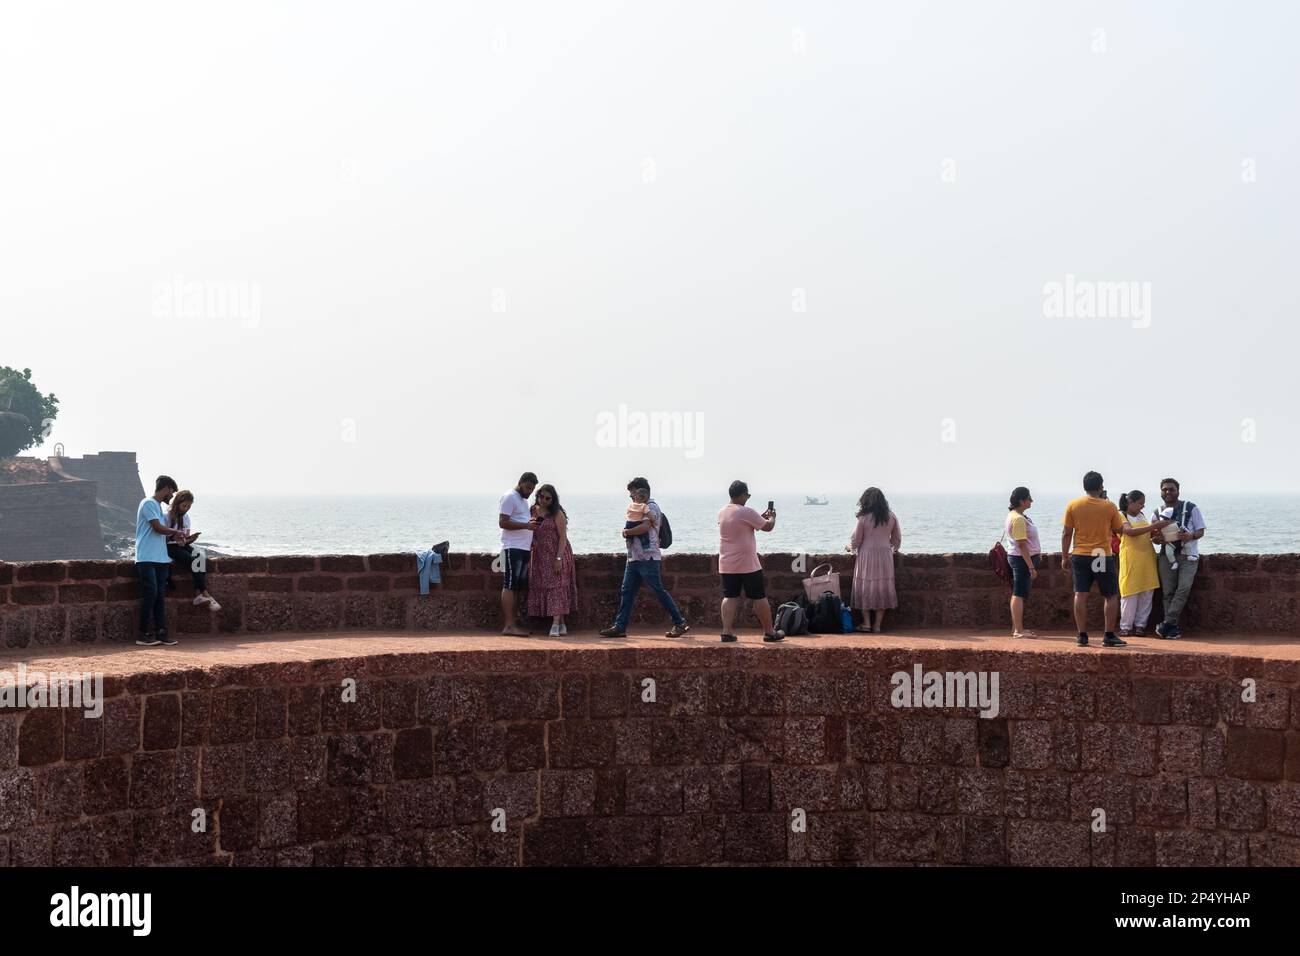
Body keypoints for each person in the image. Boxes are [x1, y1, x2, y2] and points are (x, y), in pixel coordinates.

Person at [599, 477, 690, 638]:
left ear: (643, 492)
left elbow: (646, 527)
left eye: (632, 493)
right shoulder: (638, 508)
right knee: (627, 591)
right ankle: (620, 626)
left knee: (658, 590)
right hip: (634, 556)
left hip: (648, 557)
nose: (631, 496)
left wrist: (626, 532)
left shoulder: (651, 507)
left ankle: (680, 622)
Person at [1060, 470, 1126, 648]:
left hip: (1080, 554)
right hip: (1100, 554)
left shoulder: (1073, 505)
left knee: (1080, 594)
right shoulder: (1109, 506)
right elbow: (1119, 529)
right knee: (1110, 595)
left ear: (1084, 486)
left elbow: (1067, 533)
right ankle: (1109, 635)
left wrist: (1065, 556)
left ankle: (1082, 635)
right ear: (1101, 486)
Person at [717, 480, 780, 644]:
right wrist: (772, 517)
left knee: (729, 596)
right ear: (742, 494)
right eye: (748, 495)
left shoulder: (722, 512)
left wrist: (758, 517)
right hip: (747, 564)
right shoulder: (746, 512)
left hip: (727, 563)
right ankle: (769, 632)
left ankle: (726, 632)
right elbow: (767, 527)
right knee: (759, 597)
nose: (748, 498)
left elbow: (741, 522)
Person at [134, 475, 186, 646]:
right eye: (171, 492)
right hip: (147, 557)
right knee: (151, 594)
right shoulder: (148, 503)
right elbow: (157, 528)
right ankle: (143, 634)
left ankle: (161, 632)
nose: (171, 496)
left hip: (160, 558)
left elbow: (162, 532)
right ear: (166, 489)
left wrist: (177, 538)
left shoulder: (156, 506)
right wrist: (176, 532)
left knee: (159, 596)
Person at [1153, 478, 1207, 640]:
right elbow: (1152, 536)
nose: (1168, 492)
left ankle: (1167, 622)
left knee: (1183, 589)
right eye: (1164, 490)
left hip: (1187, 555)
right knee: (1168, 592)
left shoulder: (1191, 508)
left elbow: (1200, 531)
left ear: (1178, 491)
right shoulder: (1157, 512)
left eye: (1171, 489)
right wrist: (1158, 539)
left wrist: (1190, 535)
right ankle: (1172, 628)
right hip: (1166, 555)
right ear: (1161, 492)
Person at [1116, 490, 1170, 637]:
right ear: (1130, 502)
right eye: (1140, 503)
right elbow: (1130, 532)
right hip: (1131, 558)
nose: (1143, 506)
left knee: (1146, 593)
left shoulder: (1141, 516)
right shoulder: (1121, 515)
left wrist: (1157, 534)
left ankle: (1140, 625)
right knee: (1129, 593)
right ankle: (1126, 625)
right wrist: (1153, 526)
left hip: (1147, 557)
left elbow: (1146, 534)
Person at [848, 487, 901, 634]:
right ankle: (877, 625)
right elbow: (896, 540)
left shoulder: (863, 518)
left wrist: (849, 547)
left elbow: (856, 540)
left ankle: (866, 623)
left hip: (866, 555)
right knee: (882, 587)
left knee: (865, 586)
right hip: (885, 555)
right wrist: (892, 549)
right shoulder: (891, 516)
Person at [528, 484, 578, 637]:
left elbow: (563, 537)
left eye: (547, 498)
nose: (543, 500)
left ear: (553, 499)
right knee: (547, 586)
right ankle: (562, 622)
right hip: (540, 555)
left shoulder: (557, 513)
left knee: (558, 586)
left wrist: (558, 558)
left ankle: (555, 624)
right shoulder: (533, 511)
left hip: (557, 553)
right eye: (541, 497)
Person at [165, 490, 221, 611]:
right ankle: (204, 593)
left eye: (188, 506)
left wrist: (191, 539)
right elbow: (162, 537)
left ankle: (198, 593)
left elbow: (185, 538)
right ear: (177, 503)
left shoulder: (186, 517)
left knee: (201, 558)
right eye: (184, 505)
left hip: (182, 545)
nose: (186, 509)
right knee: (192, 560)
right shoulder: (167, 516)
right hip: (169, 546)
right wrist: (173, 536)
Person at [498, 471, 539, 636]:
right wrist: (525, 526)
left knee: (516, 587)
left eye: (532, 489)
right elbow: (502, 522)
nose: (529, 491)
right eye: (528, 487)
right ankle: (508, 626)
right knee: (509, 585)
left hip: (523, 548)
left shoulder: (522, 500)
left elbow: (519, 520)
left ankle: (513, 623)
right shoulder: (509, 497)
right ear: (521, 482)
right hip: (512, 547)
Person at [1002, 486, 1040, 639]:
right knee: (1018, 593)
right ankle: (1018, 630)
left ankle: (1017, 627)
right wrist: (1031, 566)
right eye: (1029, 498)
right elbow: (1022, 544)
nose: (1031, 501)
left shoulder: (1017, 516)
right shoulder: (1017, 519)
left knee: (1020, 592)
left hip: (1019, 558)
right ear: (1022, 501)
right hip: (1021, 560)